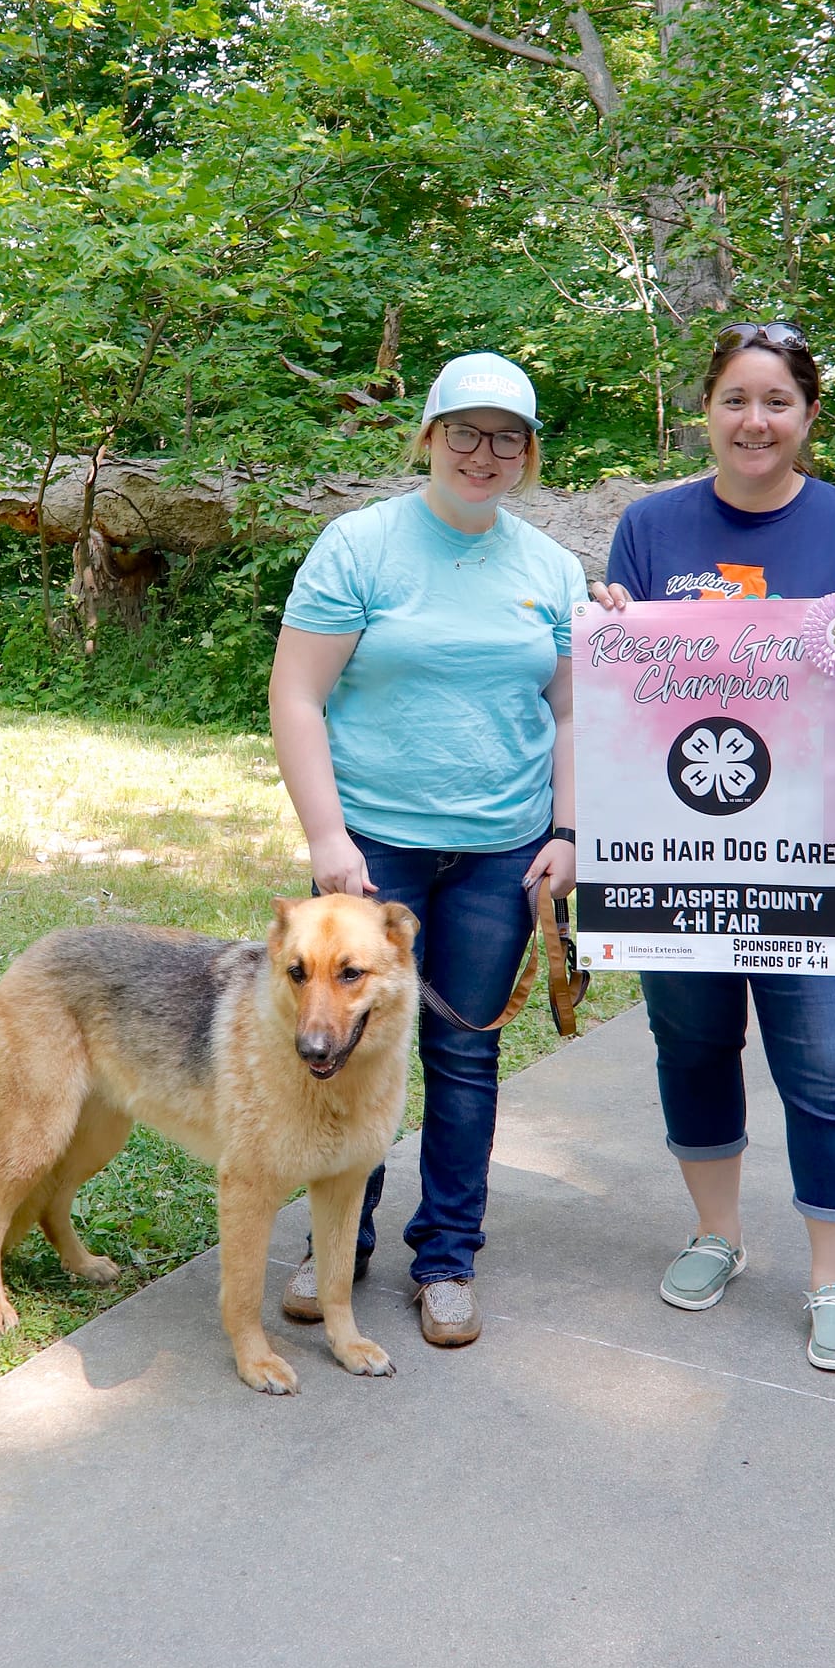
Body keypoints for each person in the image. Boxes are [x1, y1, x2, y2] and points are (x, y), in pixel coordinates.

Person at [594, 319, 835, 1372]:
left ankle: (834, 1278)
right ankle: (715, 1235)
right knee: (690, 1046)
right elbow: (623, 703)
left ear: (806, 416)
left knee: (827, 1068)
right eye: (734, 399)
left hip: (818, 851)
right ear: (706, 409)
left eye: (774, 401)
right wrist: (606, 633)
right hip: (677, 850)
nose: (753, 420)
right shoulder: (649, 530)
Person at [268, 352, 588, 1347]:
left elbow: (571, 713)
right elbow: (296, 695)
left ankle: (445, 1257)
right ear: (426, 435)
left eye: (504, 438)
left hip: (502, 852)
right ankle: (337, 1253)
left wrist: (566, 831)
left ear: (527, 454)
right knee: (343, 1052)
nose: (481, 454)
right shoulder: (357, 546)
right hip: (372, 851)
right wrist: (328, 840)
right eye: (464, 431)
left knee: (463, 1053)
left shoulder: (551, 569)